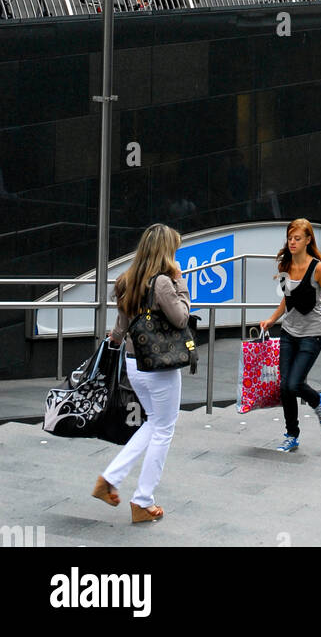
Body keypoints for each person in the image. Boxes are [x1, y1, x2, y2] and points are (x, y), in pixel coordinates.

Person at [92, 223, 190, 523]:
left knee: (154, 424)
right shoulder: (162, 282)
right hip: (159, 366)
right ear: (165, 251)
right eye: (173, 249)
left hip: (134, 364)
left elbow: (120, 330)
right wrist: (181, 285)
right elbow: (181, 317)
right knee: (164, 429)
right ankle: (142, 500)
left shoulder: (128, 280)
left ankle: (109, 479)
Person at [259, 219, 321, 451]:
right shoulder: (285, 265)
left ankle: (318, 400)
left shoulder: (319, 269)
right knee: (285, 386)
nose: (293, 242)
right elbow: (287, 300)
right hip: (288, 332)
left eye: (297, 238)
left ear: (308, 240)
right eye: (290, 238)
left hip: (312, 334)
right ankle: (291, 434)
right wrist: (272, 319)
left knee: (295, 383)